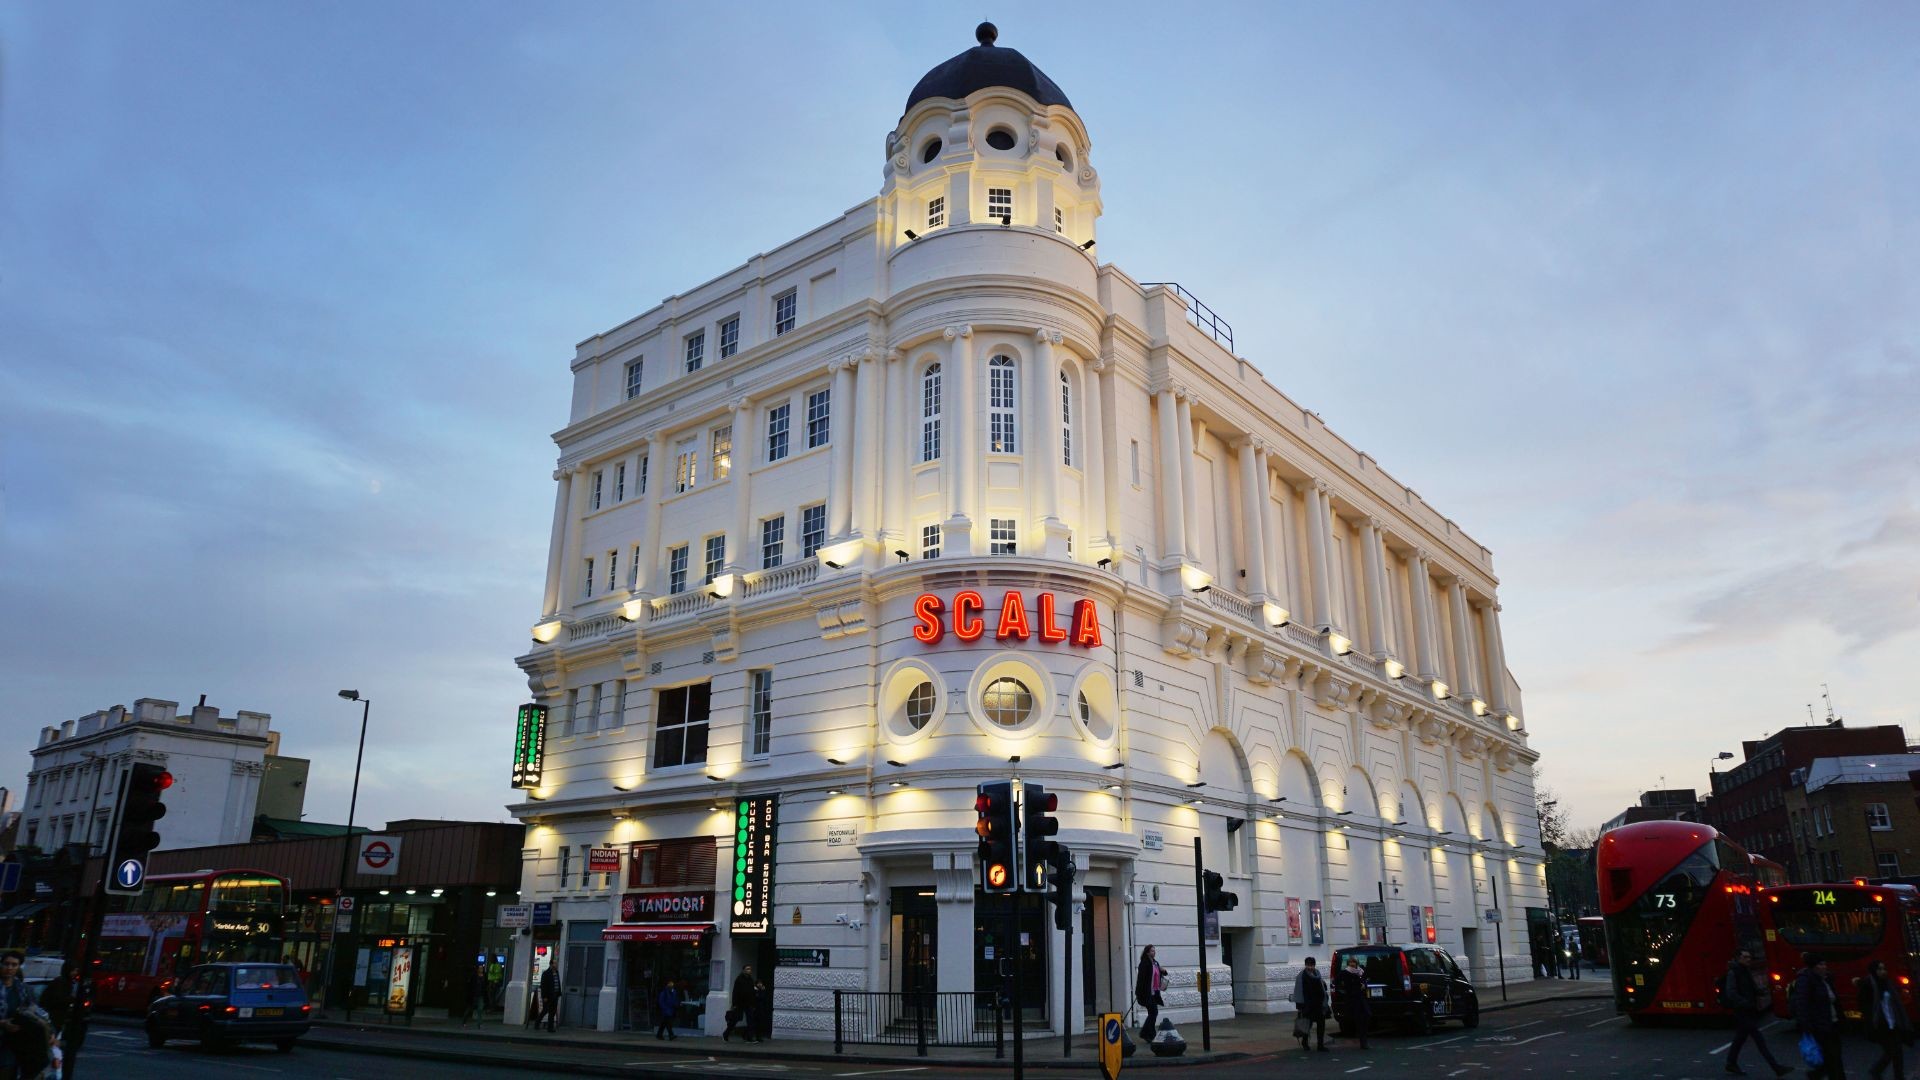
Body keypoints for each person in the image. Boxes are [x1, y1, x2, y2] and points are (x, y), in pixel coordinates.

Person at [1722, 948, 1790, 1077]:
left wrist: (1761, 992)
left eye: (1749, 957)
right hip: (1742, 1011)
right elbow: (1731, 992)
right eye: (1745, 957)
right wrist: (1744, 1002)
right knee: (1759, 1040)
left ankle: (1731, 1063)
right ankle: (1776, 1068)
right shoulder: (1734, 972)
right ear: (1738, 958)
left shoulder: (1745, 971)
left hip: (1749, 1010)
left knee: (1739, 1039)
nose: (1749, 959)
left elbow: (1750, 988)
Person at [1790, 953, 1844, 1080]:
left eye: (1825, 964)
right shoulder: (1805, 980)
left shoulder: (1826, 979)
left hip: (1832, 1023)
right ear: (1813, 967)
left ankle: (1817, 1074)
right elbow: (1801, 1004)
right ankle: (1820, 1074)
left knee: (1834, 1058)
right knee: (1834, 1059)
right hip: (1820, 1027)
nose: (1824, 966)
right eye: (1821, 964)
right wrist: (1807, 1026)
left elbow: (1834, 1001)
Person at [1858, 958, 1911, 1080]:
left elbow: (1894, 1003)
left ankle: (1888, 1073)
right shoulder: (1867, 985)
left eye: (1884, 968)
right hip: (1880, 1025)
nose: (1883, 971)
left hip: (1892, 1022)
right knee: (1893, 1051)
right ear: (1873, 970)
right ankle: (1878, 1071)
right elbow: (1865, 1007)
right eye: (1880, 969)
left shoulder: (1887, 983)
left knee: (1896, 1052)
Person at [0, 951, 48, 1080]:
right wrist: (3, 1023)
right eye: (6, 964)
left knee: (8, 1071)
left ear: (19, 967)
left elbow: (36, 1011)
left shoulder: (24, 989)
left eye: (14, 965)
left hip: (15, 1040)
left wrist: (50, 1032)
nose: (9, 968)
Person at [1290, 956, 1330, 1052]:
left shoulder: (1317, 974)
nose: (1310, 967)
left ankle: (1320, 1045)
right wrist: (1300, 1007)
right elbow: (1298, 991)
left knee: (1321, 1025)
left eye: (1312, 965)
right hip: (1308, 1005)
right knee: (1307, 1025)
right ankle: (1305, 1042)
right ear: (1306, 965)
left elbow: (1322, 987)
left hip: (1319, 1004)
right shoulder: (1302, 976)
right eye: (1308, 965)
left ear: (1314, 965)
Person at [1335, 956, 1372, 1050]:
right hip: (1353, 998)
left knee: (1367, 1015)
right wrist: (1345, 990)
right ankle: (1363, 1042)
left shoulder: (1360, 971)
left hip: (1361, 997)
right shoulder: (1345, 972)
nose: (1352, 964)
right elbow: (1337, 982)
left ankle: (1363, 1038)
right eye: (1351, 962)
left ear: (1357, 963)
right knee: (1359, 1019)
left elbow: (1365, 980)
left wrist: (1364, 985)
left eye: (1354, 962)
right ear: (1348, 963)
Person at [1135, 945, 1165, 1042]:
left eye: (1154, 951)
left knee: (1152, 1013)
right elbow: (1141, 980)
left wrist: (1163, 971)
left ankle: (1150, 1035)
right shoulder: (1144, 964)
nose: (1154, 952)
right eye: (1152, 951)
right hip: (1147, 993)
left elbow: (1159, 973)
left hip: (1154, 992)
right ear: (1147, 952)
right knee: (1153, 1012)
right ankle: (1146, 1033)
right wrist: (1139, 993)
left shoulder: (1155, 963)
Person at [725, 965, 758, 1042]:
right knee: (735, 1020)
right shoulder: (739, 979)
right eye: (747, 969)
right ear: (743, 970)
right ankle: (726, 1033)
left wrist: (753, 1003)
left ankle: (749, 1037)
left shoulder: (751, 980)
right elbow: (735, 992)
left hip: (749, 1003)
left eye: (750, 969)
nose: (749, 970)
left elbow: (752, 992)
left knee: (751, 1021)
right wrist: (734, 1004)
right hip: (740, 1003)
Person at [538, 961, 561, 1033]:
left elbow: (558, 983)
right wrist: (544, 996)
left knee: (552, 1012)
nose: (556, 964)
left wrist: (559, 993)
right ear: (551, 964)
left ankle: (550, 1027)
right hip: (548, 996)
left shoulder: (556, 972)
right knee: (545, 1010)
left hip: (555, 995)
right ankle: (537, 1023)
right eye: (554, 963)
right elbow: (543, 986)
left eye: (556, 963)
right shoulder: (546, 973)